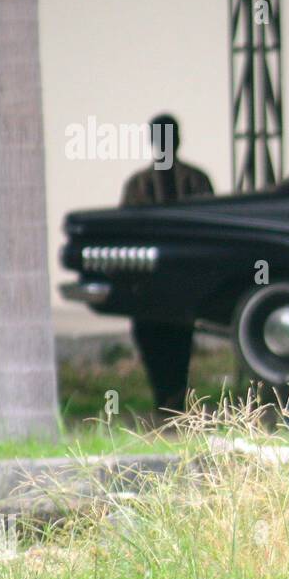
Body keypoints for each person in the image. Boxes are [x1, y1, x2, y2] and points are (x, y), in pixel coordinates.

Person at [120, 114, 214, 422]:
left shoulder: (194, 181)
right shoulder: (139, 184)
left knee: (177, 343)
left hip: (179, 283)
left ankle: (172, 402)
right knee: (153, 340)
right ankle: (165, 400)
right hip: (150, 284)